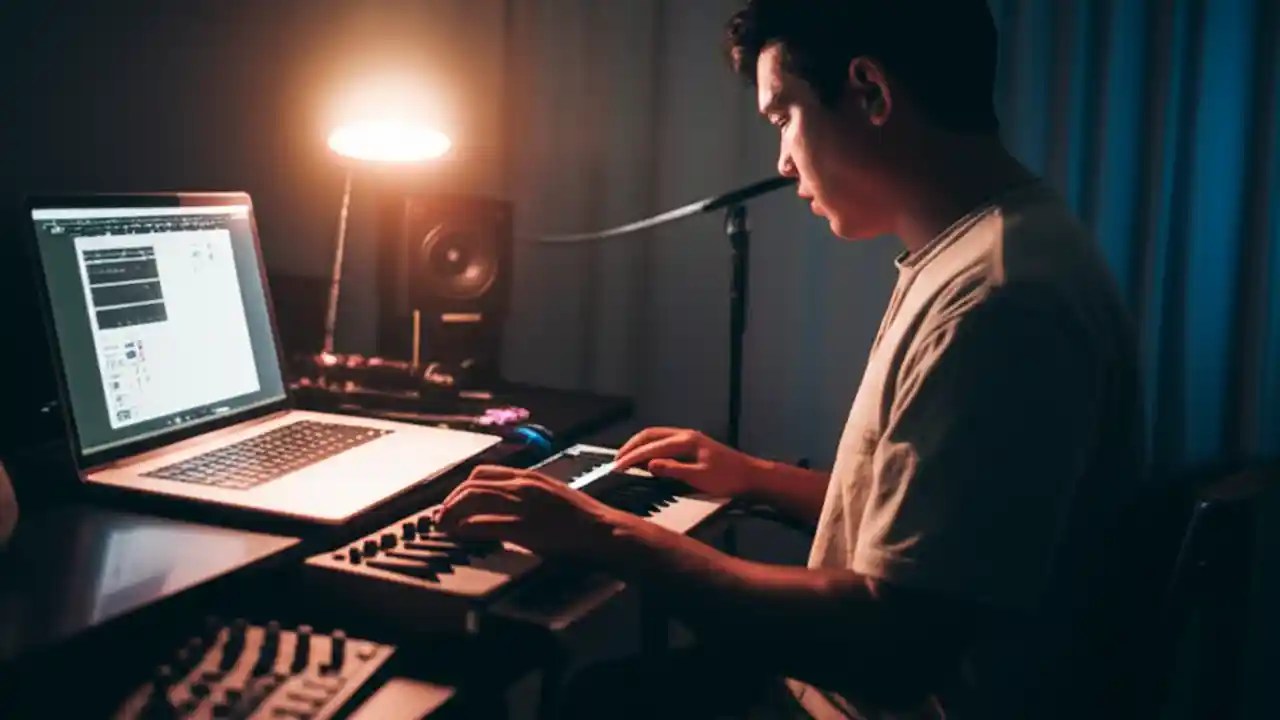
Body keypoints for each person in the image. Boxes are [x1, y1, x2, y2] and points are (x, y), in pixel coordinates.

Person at [436, 1, 1145, 717]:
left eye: (783, 117)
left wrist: (609, 535)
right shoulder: (990, 251)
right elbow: (932, 520)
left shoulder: (997, 302)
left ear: (869, 91)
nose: (780, 160)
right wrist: (756, 478)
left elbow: (889, 641)